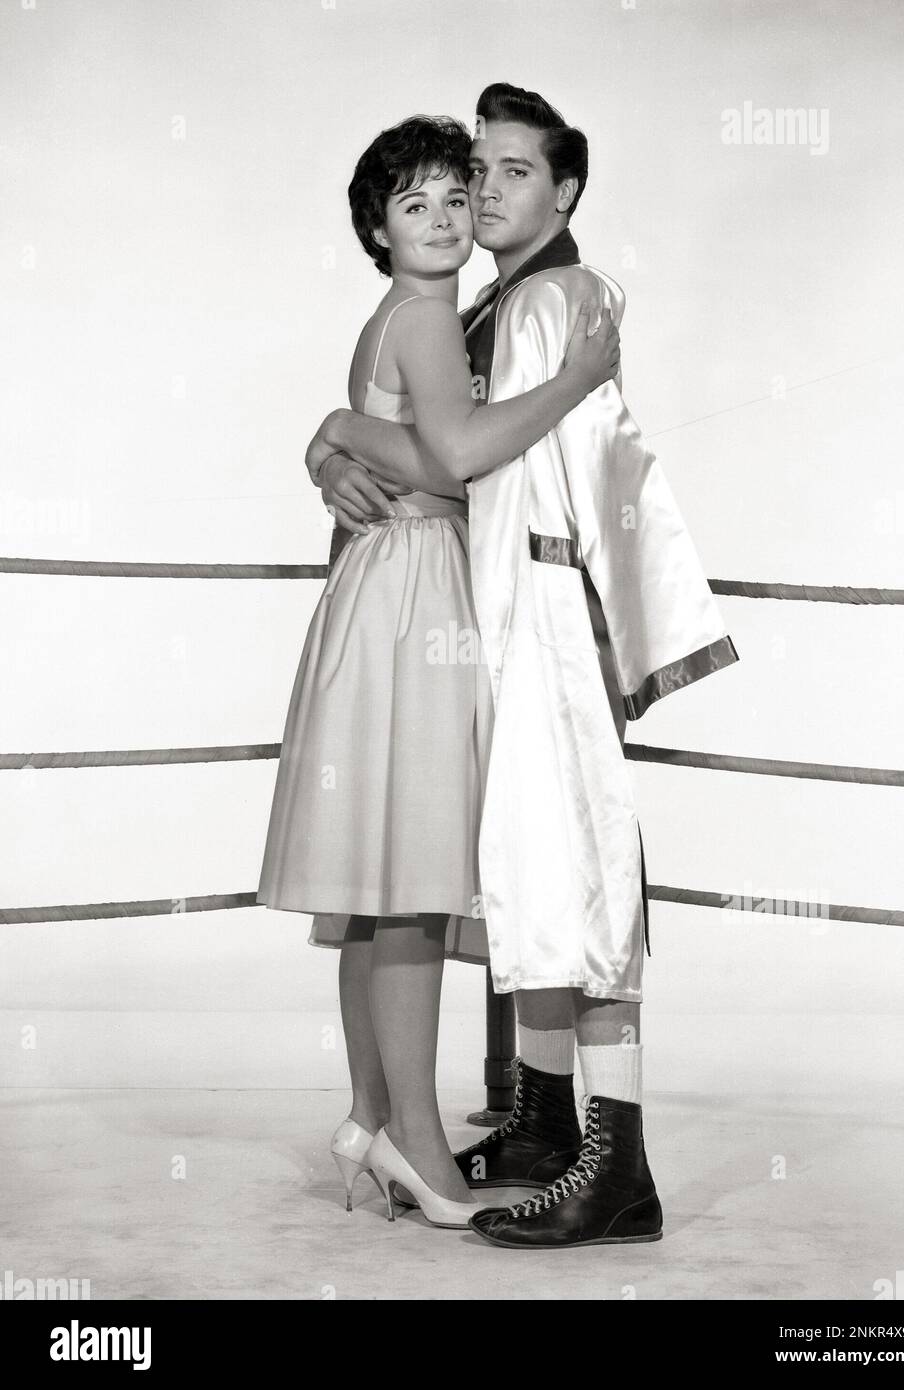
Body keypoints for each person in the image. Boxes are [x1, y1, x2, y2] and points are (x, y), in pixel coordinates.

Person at [313, 84, 740, 1248]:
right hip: (496, 612)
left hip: (539, 618)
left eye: (505, 174)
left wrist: (346, 432)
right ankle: (549, 1125)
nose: (481, 195)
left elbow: (472, 460)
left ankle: (618, 1164)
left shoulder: (556, 301)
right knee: (533, 878)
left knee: (581, 882)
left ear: (564, 191)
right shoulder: (500, 303)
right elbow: (450, 441)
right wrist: (335, 439)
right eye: (470, 175)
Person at [256, 112, 620, 1230]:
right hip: (414, 598)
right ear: (377, 226)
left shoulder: (414, 315)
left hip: (386, 590)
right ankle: (416, 1141)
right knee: (411, 888)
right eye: (417, 205)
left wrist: (337, 433)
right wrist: (577, 379)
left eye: (456, 199)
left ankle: (372, 1112)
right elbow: (461, 455)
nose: (447, 218)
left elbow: (423, 450)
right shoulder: (423, 318)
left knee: (379, 895)